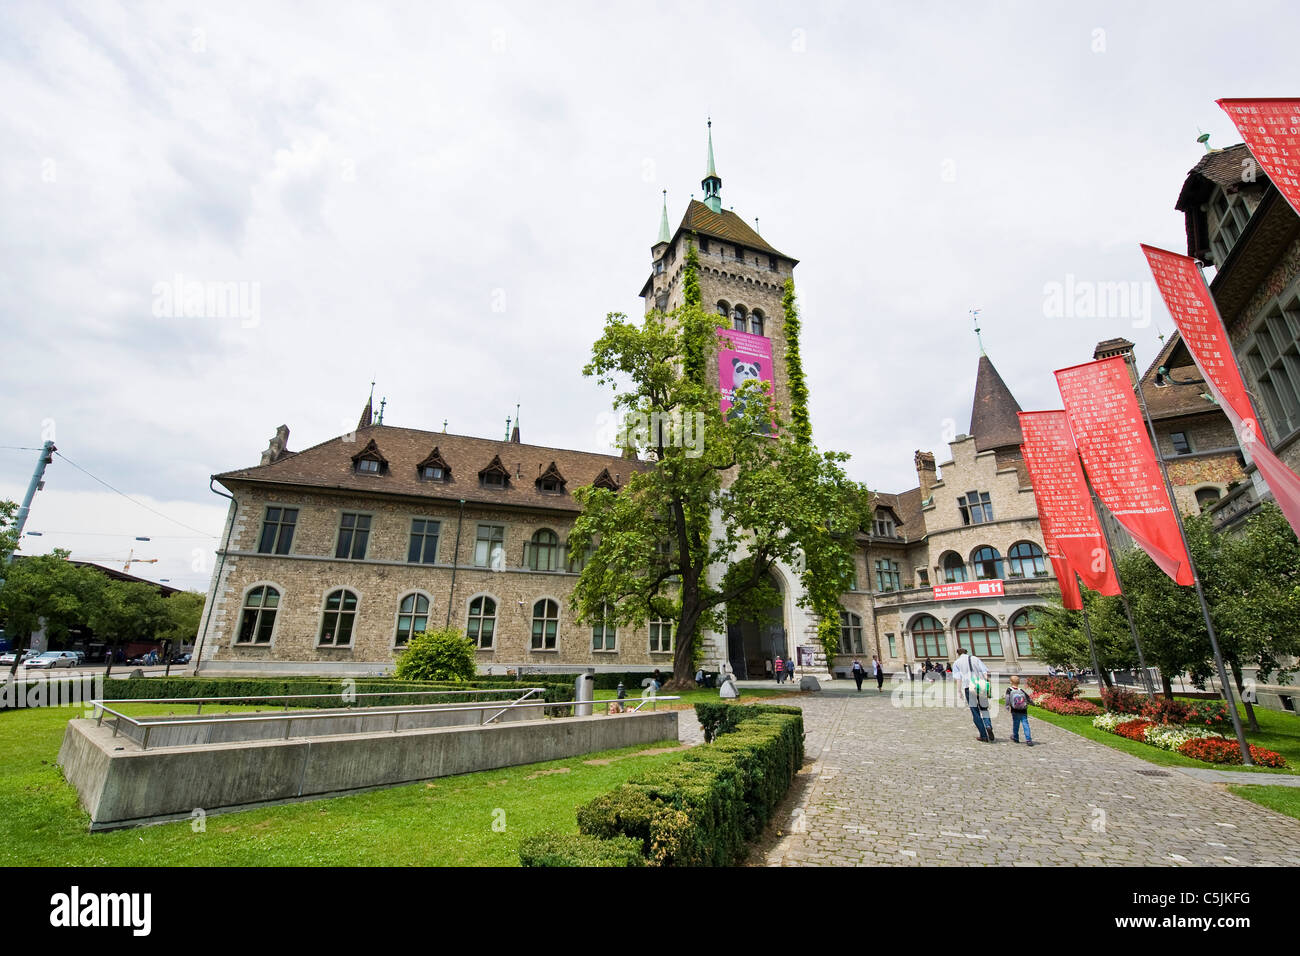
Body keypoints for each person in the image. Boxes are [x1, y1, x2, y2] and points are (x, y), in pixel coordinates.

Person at [953, 646, 993, 742]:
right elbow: (985, 672)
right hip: (981, 685)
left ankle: (983, 735)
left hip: (968, 687)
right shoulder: (975, 658)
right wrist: (987, 683)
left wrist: (959, 691)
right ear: (966, 652)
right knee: (984, 708)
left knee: (975, 711)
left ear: (958, 653)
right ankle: (988, 725)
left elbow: (958, 679)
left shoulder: (957, 663)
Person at [1005, 675, 1033, 746]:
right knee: (1025, 724)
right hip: (1023, 710)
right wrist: (1032, 703)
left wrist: (1007, 705)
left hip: (1015, 710)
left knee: (1016, 724)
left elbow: (1007, 698)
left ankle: (1016, 737)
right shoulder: (1021, 690)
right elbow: (1028, 698)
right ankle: (1028, 739)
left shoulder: (1009, 689)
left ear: (1010, 682)